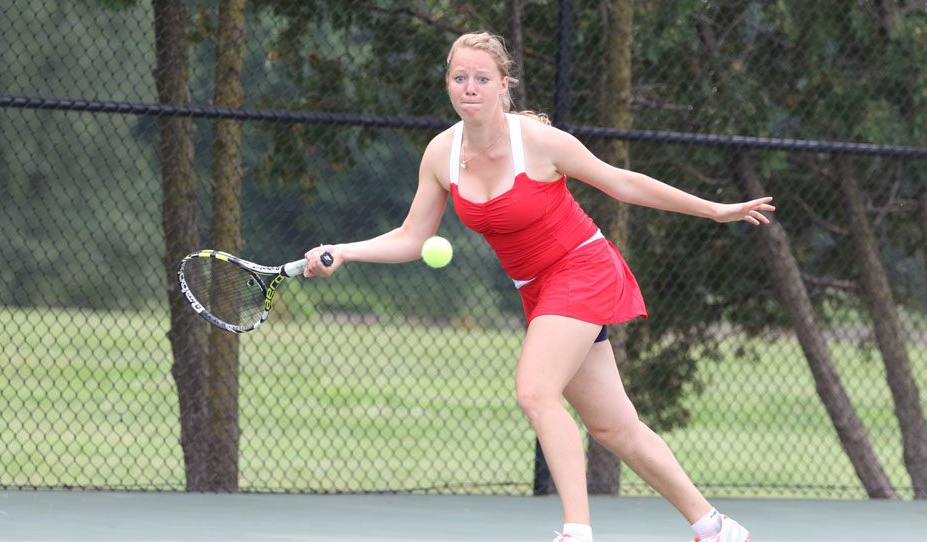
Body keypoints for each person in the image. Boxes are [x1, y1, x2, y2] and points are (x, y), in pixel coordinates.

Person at [304, 32, 770, 542]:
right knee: (615, 428)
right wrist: (346, 251)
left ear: (504, 85)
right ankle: (717, 528)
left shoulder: (541, 143)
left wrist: (714, 209)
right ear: (449, 85)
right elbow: (413, 238)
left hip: (582, 268)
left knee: (535, 391)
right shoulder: (441, 153)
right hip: (538, 290)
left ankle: (576, 532)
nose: (470, 88)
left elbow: (623, 183)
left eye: (482, 79)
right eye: (460, 78)